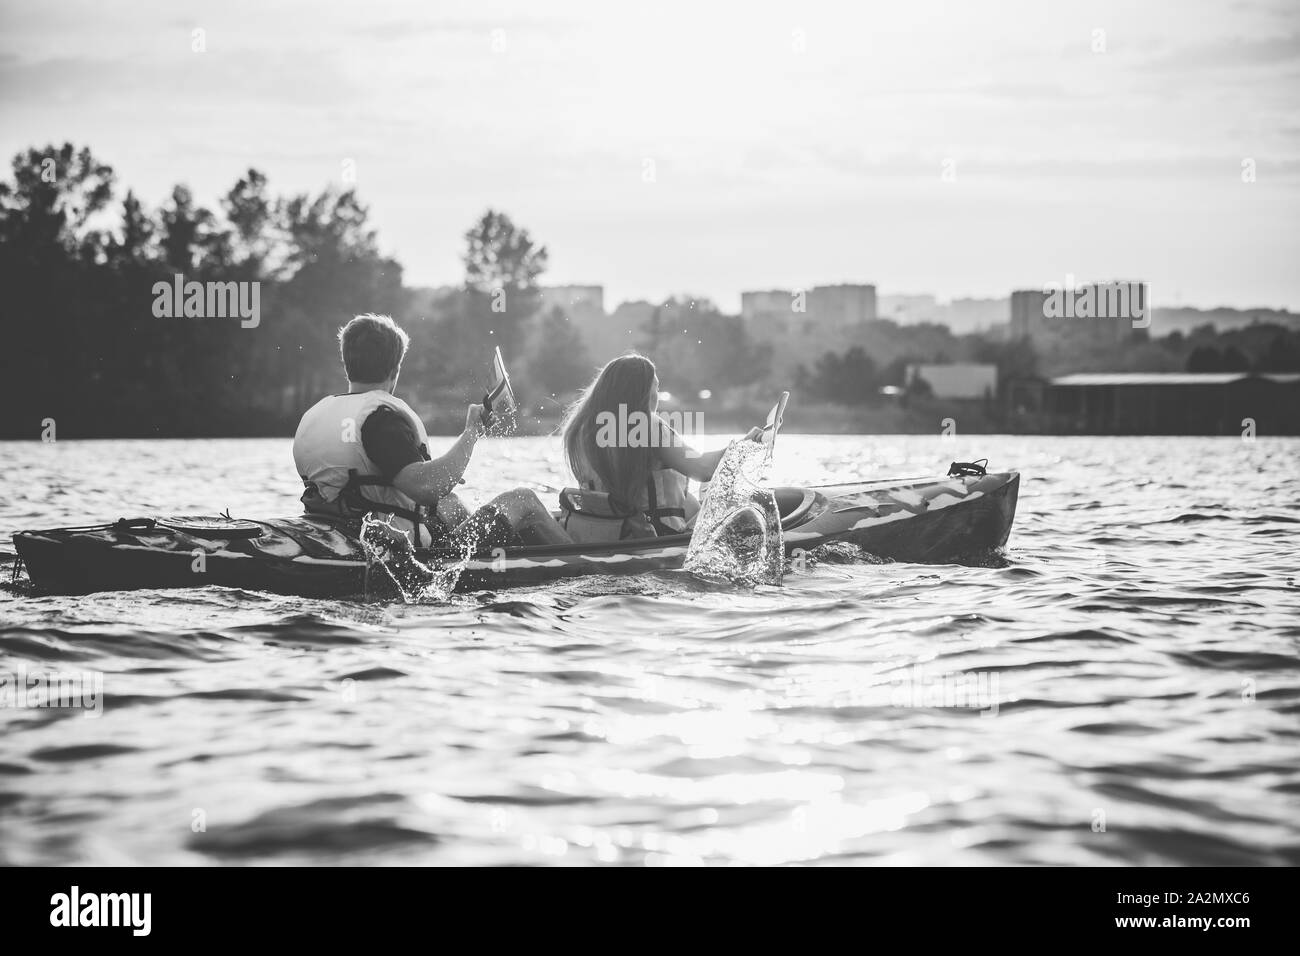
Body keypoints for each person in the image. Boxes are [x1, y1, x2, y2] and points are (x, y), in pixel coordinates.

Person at [292, 313, 571, 549]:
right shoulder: (381, 419)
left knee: (450, 502)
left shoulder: (317, 414)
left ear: (347, 364)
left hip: (343, 530)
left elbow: (371, 479)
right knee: (524, 500)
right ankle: (589, 563)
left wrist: (444, 471)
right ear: (395, 369)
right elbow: (427, 488)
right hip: (402, 552)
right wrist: (472, 432)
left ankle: (503, 550)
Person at [559, 353, 760, 540]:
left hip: (603, 534)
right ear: (639, 392)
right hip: (652, 535)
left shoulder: (581, 430)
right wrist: (746, 445)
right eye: (656, 387)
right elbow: (703, 469)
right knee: (754, 507)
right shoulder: (647, 426)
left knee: (689, 498)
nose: (657, 394)